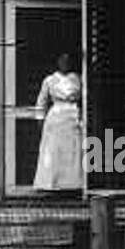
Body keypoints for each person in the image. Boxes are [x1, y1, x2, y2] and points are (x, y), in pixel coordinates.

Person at [31, 53, 83, 192]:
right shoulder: (50, 80)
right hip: (55, 118)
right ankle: (52, 185)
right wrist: (40, 119)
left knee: (72, 152)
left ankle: (73, 185)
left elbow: (85, 99)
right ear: (57, 62)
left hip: (72, 117)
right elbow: (41, 101)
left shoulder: (78, 79)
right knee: (53, 151)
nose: (65, 63)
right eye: (62, 60)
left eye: (68, 61)